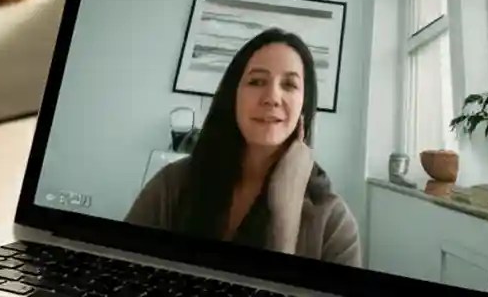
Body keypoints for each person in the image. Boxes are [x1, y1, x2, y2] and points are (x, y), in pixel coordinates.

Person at [125, 28, 361, 266]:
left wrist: (285, 217)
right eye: (257, 81)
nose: (272, 97)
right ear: (233, 96)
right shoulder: (172, 184)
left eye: (289, 85)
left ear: (304, 106)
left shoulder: (335, 223)